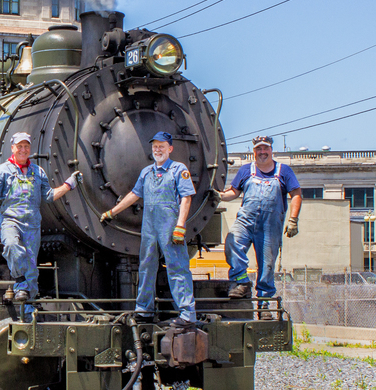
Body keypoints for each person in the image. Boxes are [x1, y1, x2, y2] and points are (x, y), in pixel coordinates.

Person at [99, 132, 196, 326]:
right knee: (146, 266)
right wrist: (112, 212)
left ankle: (187, 314)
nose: (158, 149)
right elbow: (134, 195)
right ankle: (144, 310)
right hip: (150, 225)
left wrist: (180, 224)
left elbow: (186, 197)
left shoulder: (179, 169)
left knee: (177, 267)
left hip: (170, 224)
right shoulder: (146, 172)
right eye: (155, 146)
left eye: (162, 146)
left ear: (170, 148)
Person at [0, 132, 79, 305]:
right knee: (12, 246)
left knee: (32, 268)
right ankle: (19, 281)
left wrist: (68, 184)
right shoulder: (3, 171)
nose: (23, 150)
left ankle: (28, 307)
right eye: (20, 146)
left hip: (32, 225)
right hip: (11, 221)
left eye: (26, 146)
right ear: (13, 148)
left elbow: (49, 196)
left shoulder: (38, 172)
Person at [216, 135, 301, 301]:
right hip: (246, 221)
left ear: (271, 150)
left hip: (270, 226)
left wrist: (293, 220)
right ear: (254, 151)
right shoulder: (246, 170)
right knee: (232, 242)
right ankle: (241, 283)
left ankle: (264, 302)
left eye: (265, 148)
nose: (262, 152)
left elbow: (296, 194)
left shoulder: (283, 171)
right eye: (258, 149)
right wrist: (218, 195)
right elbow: (234, 192)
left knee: (267, 264)